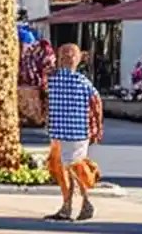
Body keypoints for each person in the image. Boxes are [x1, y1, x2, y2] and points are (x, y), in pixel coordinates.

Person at [45, 43, 104, 223]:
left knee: (70, 169)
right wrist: (97, 128)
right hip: (75, 133)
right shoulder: (83, 82)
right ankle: (67, 206)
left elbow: (42, 98)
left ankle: (84, 203)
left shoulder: (52, 80)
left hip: (63, 132)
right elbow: (97, 104)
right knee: (67, 169)